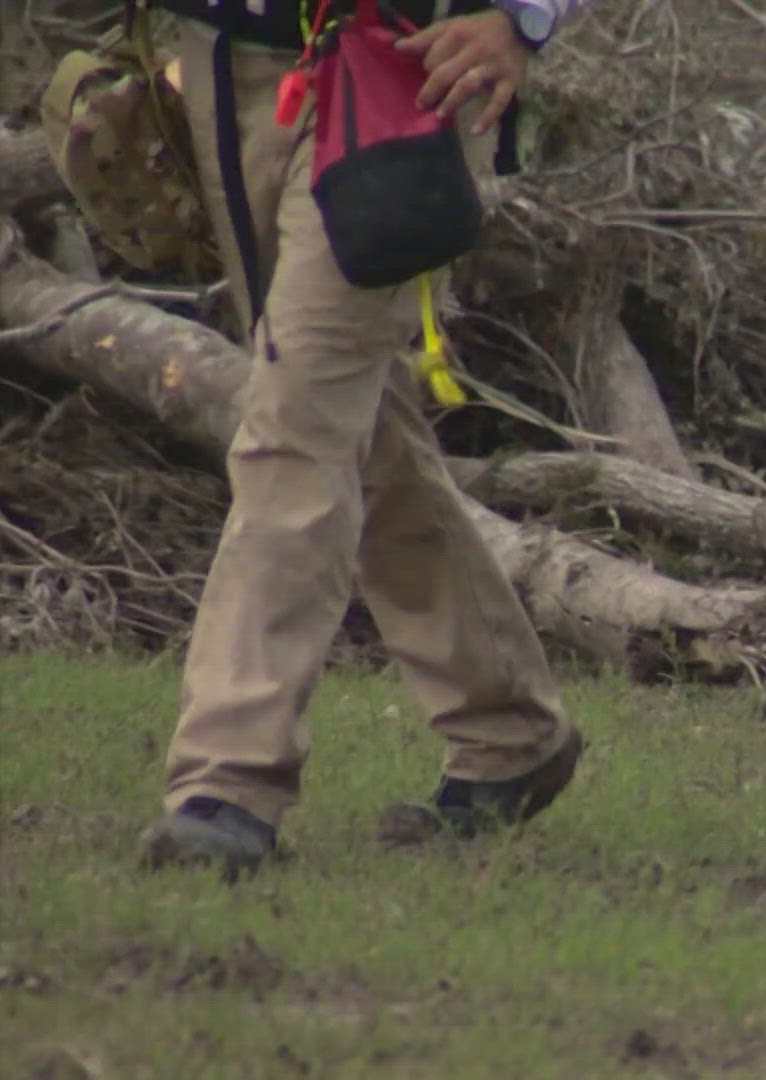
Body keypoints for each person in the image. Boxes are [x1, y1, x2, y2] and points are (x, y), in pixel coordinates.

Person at [136, 0, 590, 875]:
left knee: (294, 433)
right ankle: (508, 728)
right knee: (352, 423)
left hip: (387, 70)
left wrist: (523, 20)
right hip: (221, 67)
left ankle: (228, 784)